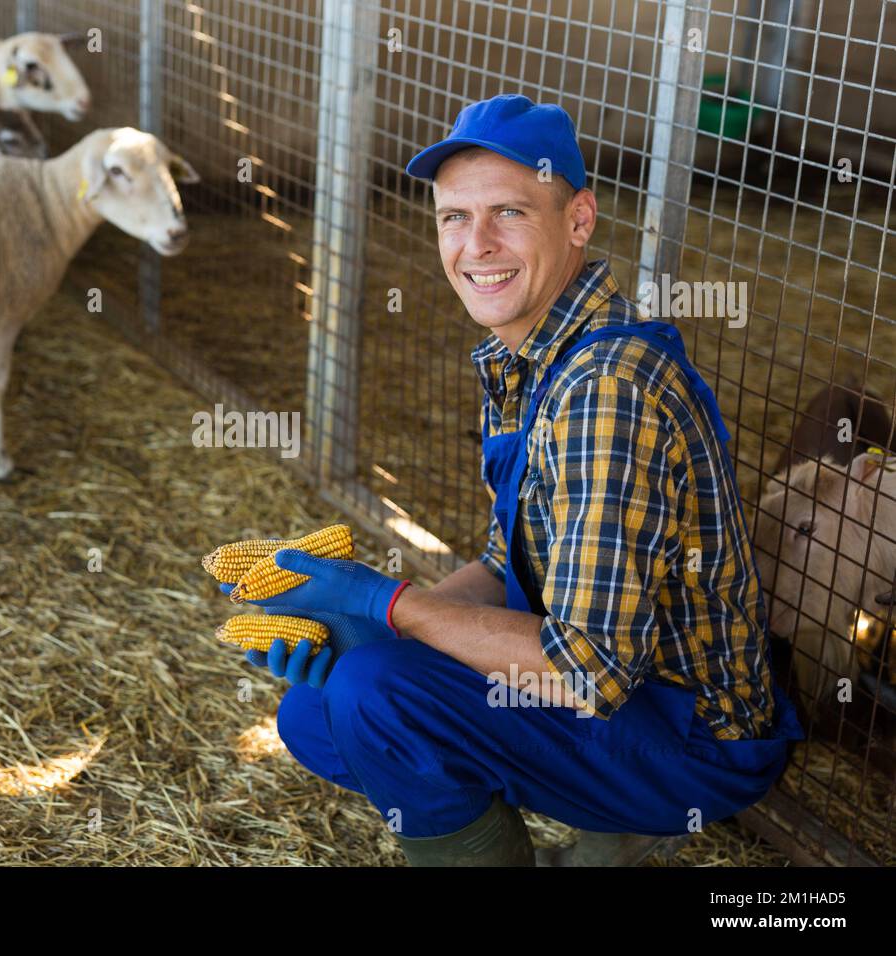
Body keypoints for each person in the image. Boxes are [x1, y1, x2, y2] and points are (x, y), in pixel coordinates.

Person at [225, 93, 805, 867]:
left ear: (578, 220)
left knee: (375, 694)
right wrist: (366, 625)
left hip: (690, 733)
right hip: (619, 698)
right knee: (317, 708)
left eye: (510, 213)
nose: (477, 244)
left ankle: (632, 815)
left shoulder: (607, 389)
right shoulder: (525, 359)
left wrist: (386, 603)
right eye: (454, 218)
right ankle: (594, 828)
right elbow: (507, 568)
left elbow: (588, 669)